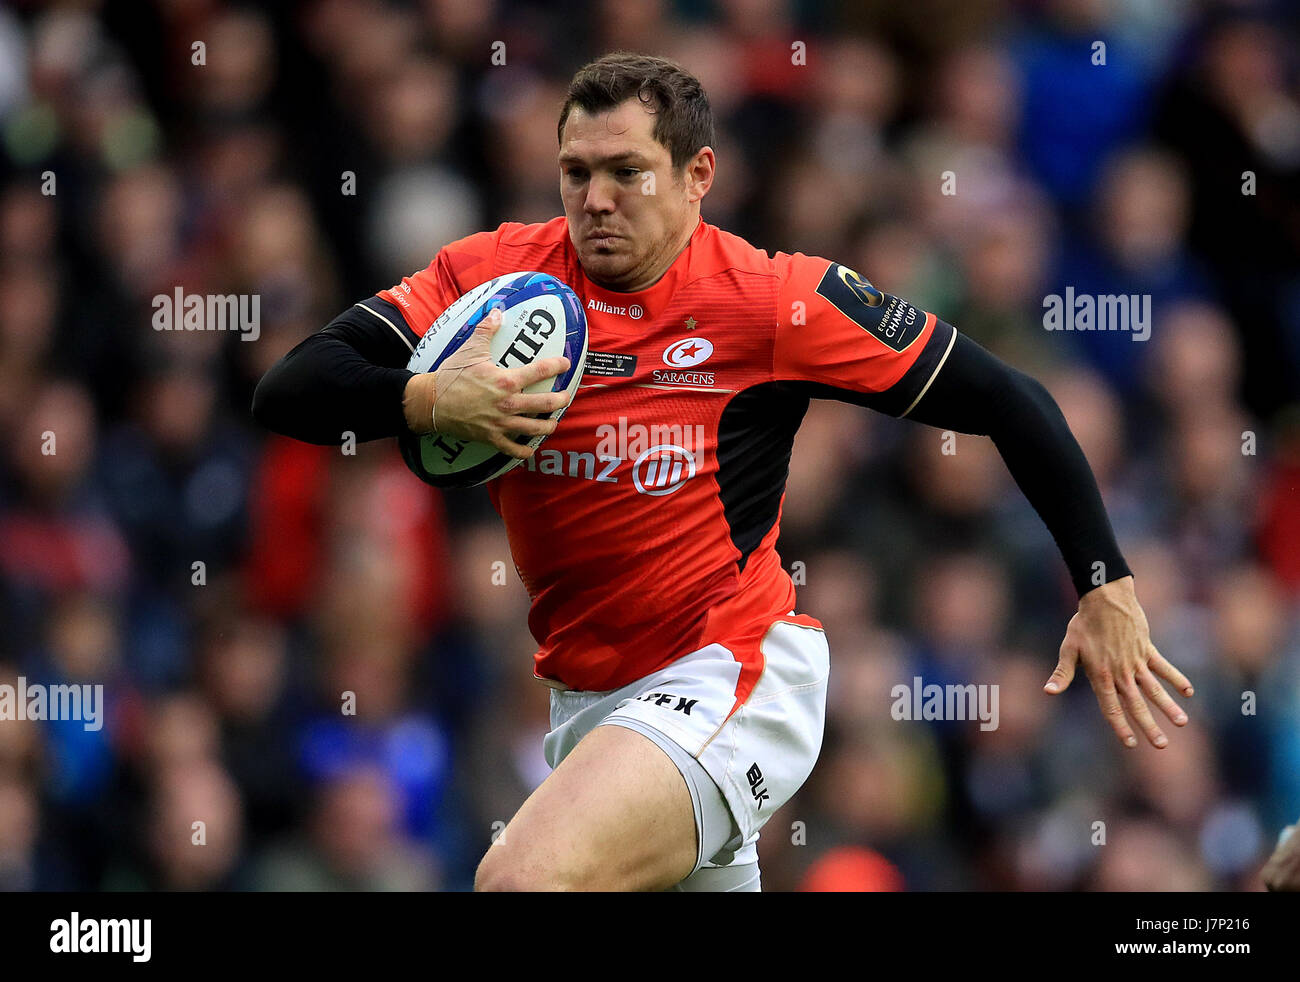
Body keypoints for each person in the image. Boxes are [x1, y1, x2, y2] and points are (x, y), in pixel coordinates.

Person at [252, 52, 1194, 892]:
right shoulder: (497, 281)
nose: (595, 200)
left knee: (522, 880)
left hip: (734, 672)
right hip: (589, 702)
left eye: (628, 173)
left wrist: (1104, 582)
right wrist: (426, 402)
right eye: (575, 174)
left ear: (699, 175)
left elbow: (1010, 399)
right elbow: (292, 389)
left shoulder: (775, 301)